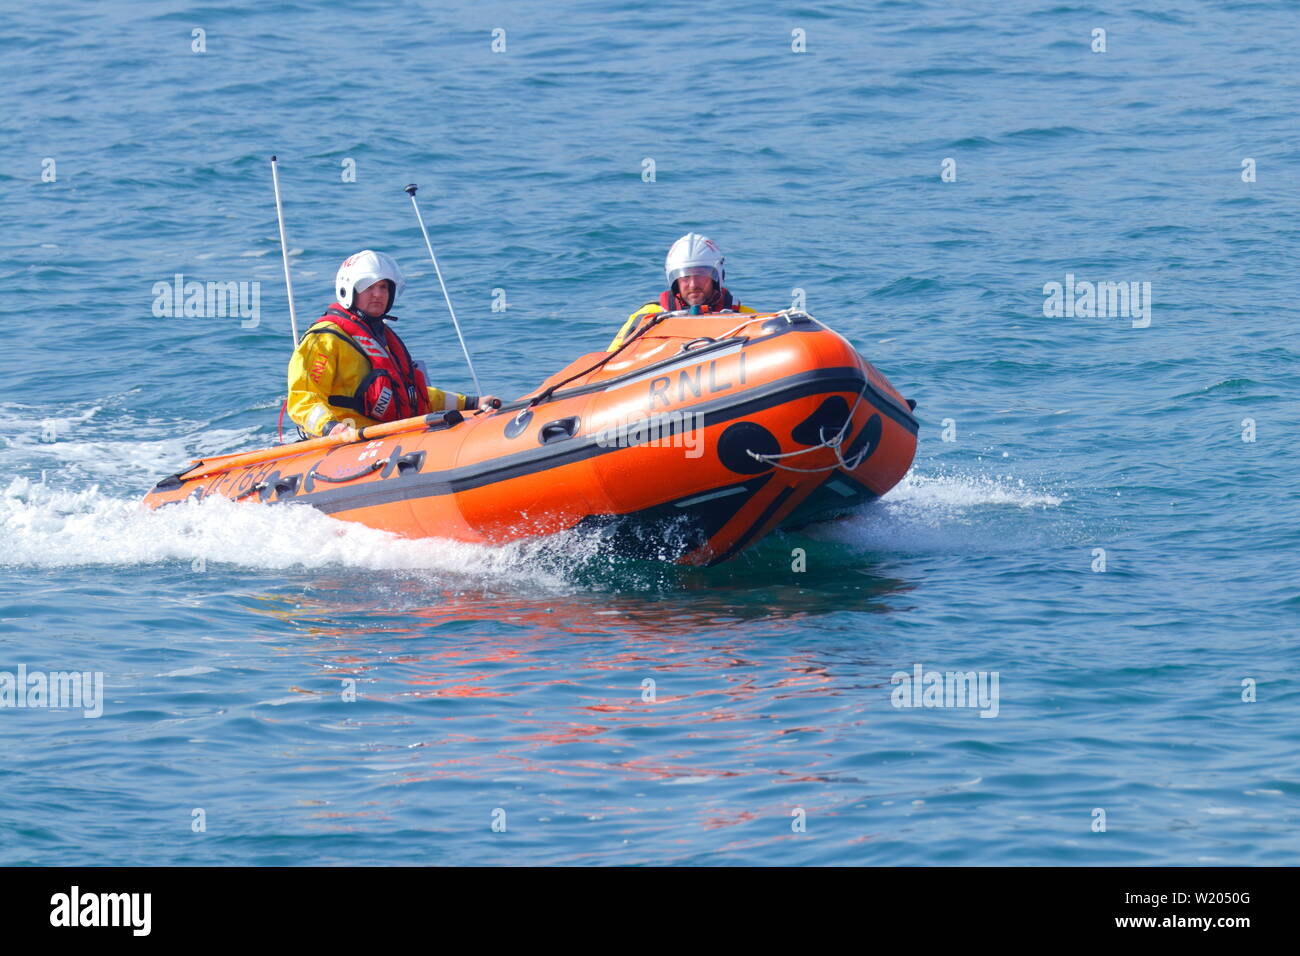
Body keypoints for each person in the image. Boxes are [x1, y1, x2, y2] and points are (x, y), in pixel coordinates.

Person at [287, 250, 496, 439]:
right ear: (350, 290)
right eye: (369, 287)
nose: (378, 294)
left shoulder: (383, 338)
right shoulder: (325, 340)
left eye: (383, 287)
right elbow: (303, 398)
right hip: (351, 443)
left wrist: (471, 403)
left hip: (392, 437)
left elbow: (412, 394)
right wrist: (331, 428)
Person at [606, 233, 756, 351]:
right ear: (674, 281)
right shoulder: (649, 316)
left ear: (716, 277)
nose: (693, 284)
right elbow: (611, 358)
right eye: (684, 277)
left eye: (701, 275)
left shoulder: (744, 315)